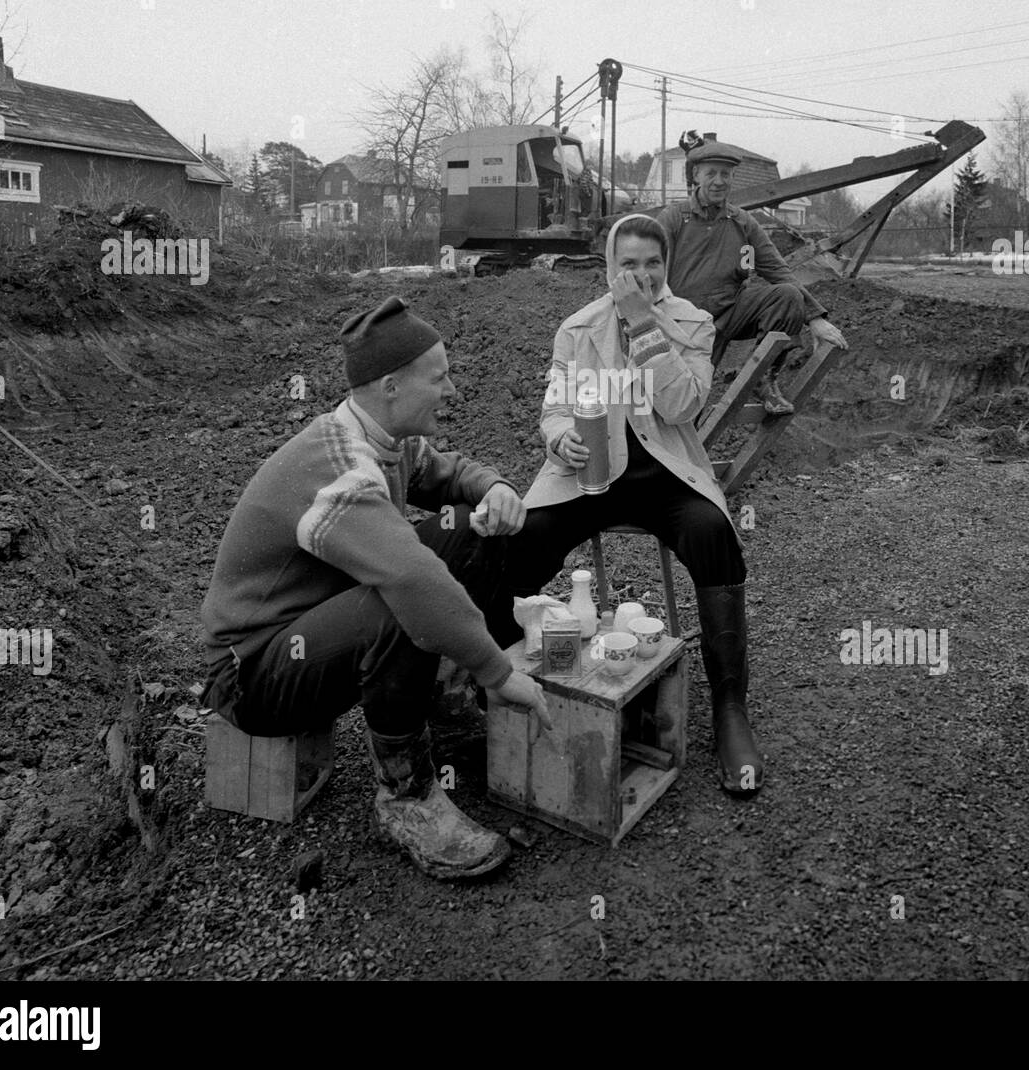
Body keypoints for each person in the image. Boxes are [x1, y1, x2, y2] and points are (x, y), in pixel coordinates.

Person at [199, 296, 550, 881]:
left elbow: (447, 472)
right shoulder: (340, 472)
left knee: (471, 526)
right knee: (402, 598)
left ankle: (440, 700)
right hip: (252, 674)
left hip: (312, 629)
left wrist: (494, 488)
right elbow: (413, 578)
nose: (452, 391)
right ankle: (406, 796)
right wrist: (497, 670)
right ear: (391, 385)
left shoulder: (387, 437)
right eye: (438, 378)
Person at [503, 213, 764, 795]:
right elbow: (554, 405)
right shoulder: (578, 328)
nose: (641, 275)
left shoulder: (691, 322)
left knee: (712, 532)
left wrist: (646, 323)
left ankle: (730, 709)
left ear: (665, 267)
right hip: (592, 474)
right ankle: (496, 676)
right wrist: (558, 436)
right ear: (609, 267)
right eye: (629, 264)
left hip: (665, 472)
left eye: (653, 263)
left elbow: (681, 408)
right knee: (527, 535)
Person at [656, 134, 847, 415]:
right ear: (696, 175)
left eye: (726, 174)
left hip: (729, 314)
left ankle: (763, 379)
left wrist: (815, 318)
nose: (719, 181)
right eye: (711, 173)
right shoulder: (673, 219)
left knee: (787, 296)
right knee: (685, 405)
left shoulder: (742, 222)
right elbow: (652, 276)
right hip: (683, 323)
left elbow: (778, 271)